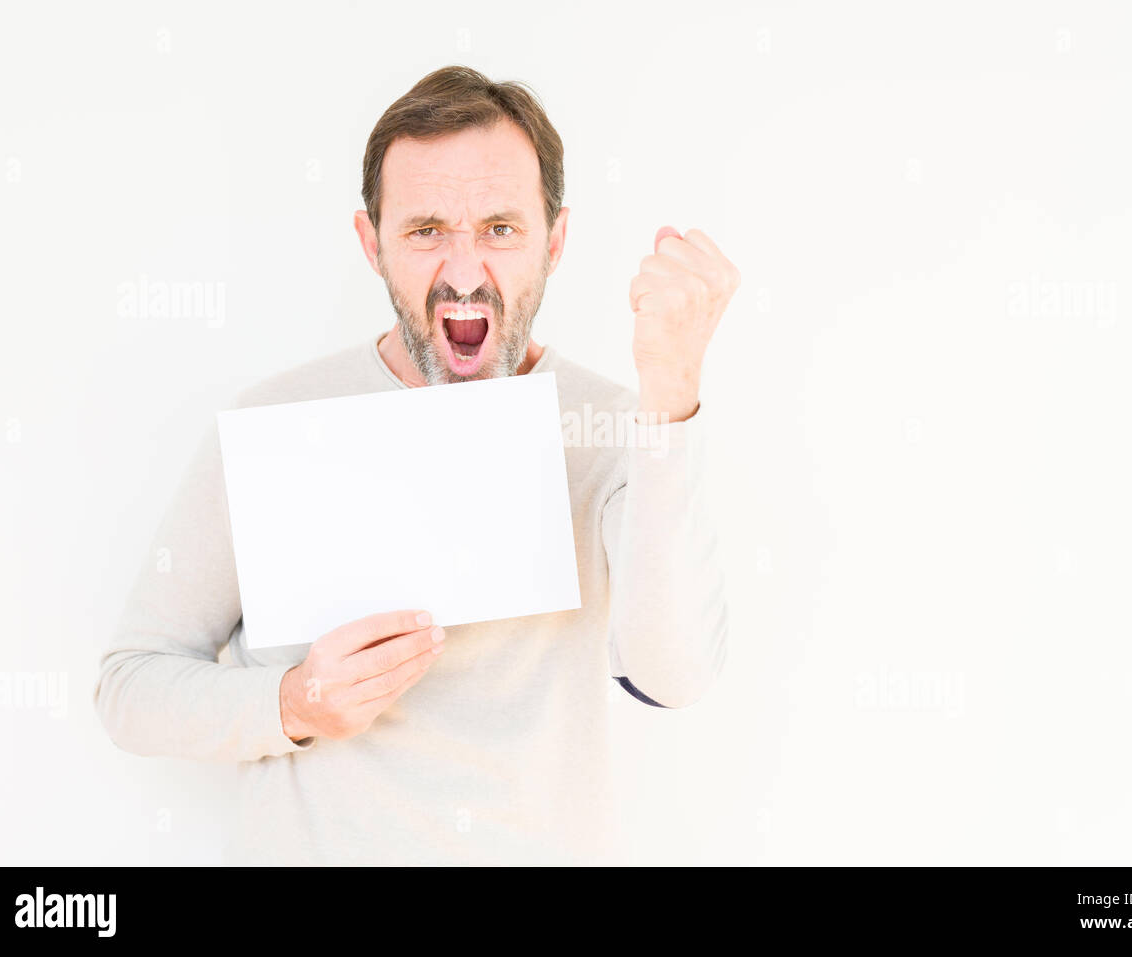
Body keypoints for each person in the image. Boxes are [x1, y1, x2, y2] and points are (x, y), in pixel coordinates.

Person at [94, 64, 738, 865]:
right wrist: (294, 702)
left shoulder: (617, 426)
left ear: (556, 240)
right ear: (371, 244)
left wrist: (669, 393)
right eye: (425, 228)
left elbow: (672, 672)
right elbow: (130, 687)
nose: (465, 271)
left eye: (501, 228)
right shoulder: (272, 420)